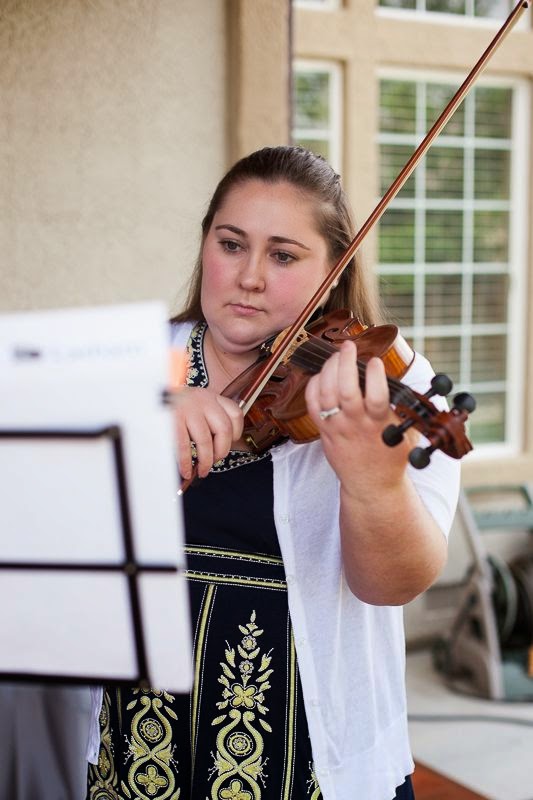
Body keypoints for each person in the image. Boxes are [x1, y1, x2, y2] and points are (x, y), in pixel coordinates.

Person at [86, 146, 460, 800]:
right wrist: (141, 409)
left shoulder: (383, 383)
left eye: (284, 256)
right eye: (231, 244)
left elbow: (394, 584)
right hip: (138, 743)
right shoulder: (133, 363)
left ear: (332, 274)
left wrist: (374, 484)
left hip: (305, 759)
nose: (249, 276)